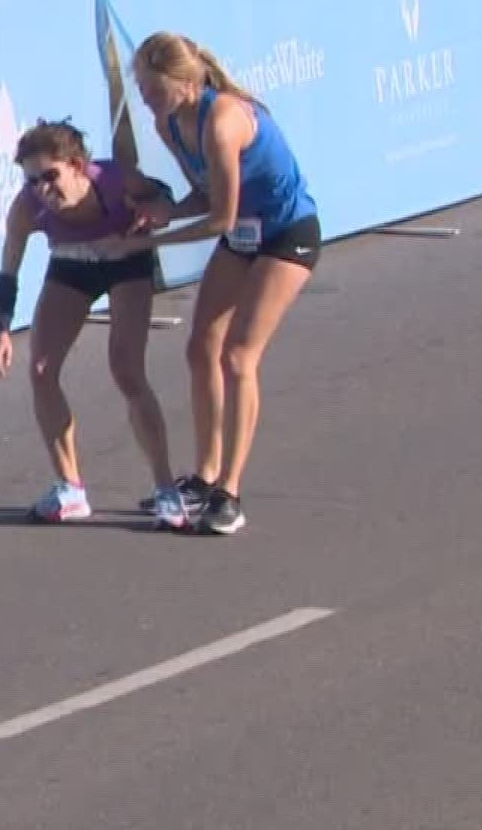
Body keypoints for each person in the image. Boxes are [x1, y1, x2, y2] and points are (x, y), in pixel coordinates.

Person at [93, 32, 321, 536]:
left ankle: (229, 494)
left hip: (287, 234)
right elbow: (205, 194)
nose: (147, 99)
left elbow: (221, 217)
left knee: (239, 356)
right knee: (201, 349)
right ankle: (206, 472)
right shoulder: (169, 121)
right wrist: (165, 212)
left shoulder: (223, 120)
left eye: (154, 89)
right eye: (143, 89)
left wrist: (143, 245)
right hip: (244, 233)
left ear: (186, 83)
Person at [0, 118, 192, 528]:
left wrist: (155, 212)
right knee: (41, 370)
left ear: (77, 165)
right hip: (71, 266)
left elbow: (163, 197)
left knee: (127, 371)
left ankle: (167, 489)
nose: (43, 189)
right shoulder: (27, 209)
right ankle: (70, 488)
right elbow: (8, 273)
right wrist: (1, 333)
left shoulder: (114, 180)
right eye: (32, 181)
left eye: (50, 176)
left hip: (126, 263)